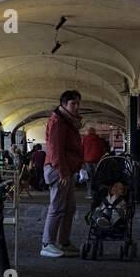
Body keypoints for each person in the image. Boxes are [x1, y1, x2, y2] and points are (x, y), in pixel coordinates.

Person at [41, 90, 84, 258]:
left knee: (70, 208)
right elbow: (54, 148)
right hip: (58, 170)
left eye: (78, 103)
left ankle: (63, 242)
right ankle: (47, 243)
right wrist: (62, 171)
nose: (76, 107)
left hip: (66, 169)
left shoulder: (67, 121)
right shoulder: (58, 121)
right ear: (64, 104)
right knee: (57, 207)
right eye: (73, 103)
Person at [80, 125, 106, 199]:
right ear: (94, 132)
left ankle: (89, 193)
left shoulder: (84, 139)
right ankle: (97, 192)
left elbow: (81, 150)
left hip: (87, 161)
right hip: (97, 161)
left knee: (89, 177)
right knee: (97, 177)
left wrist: (81, 161)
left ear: (88, 132)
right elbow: (103, 150)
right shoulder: (99, 139)